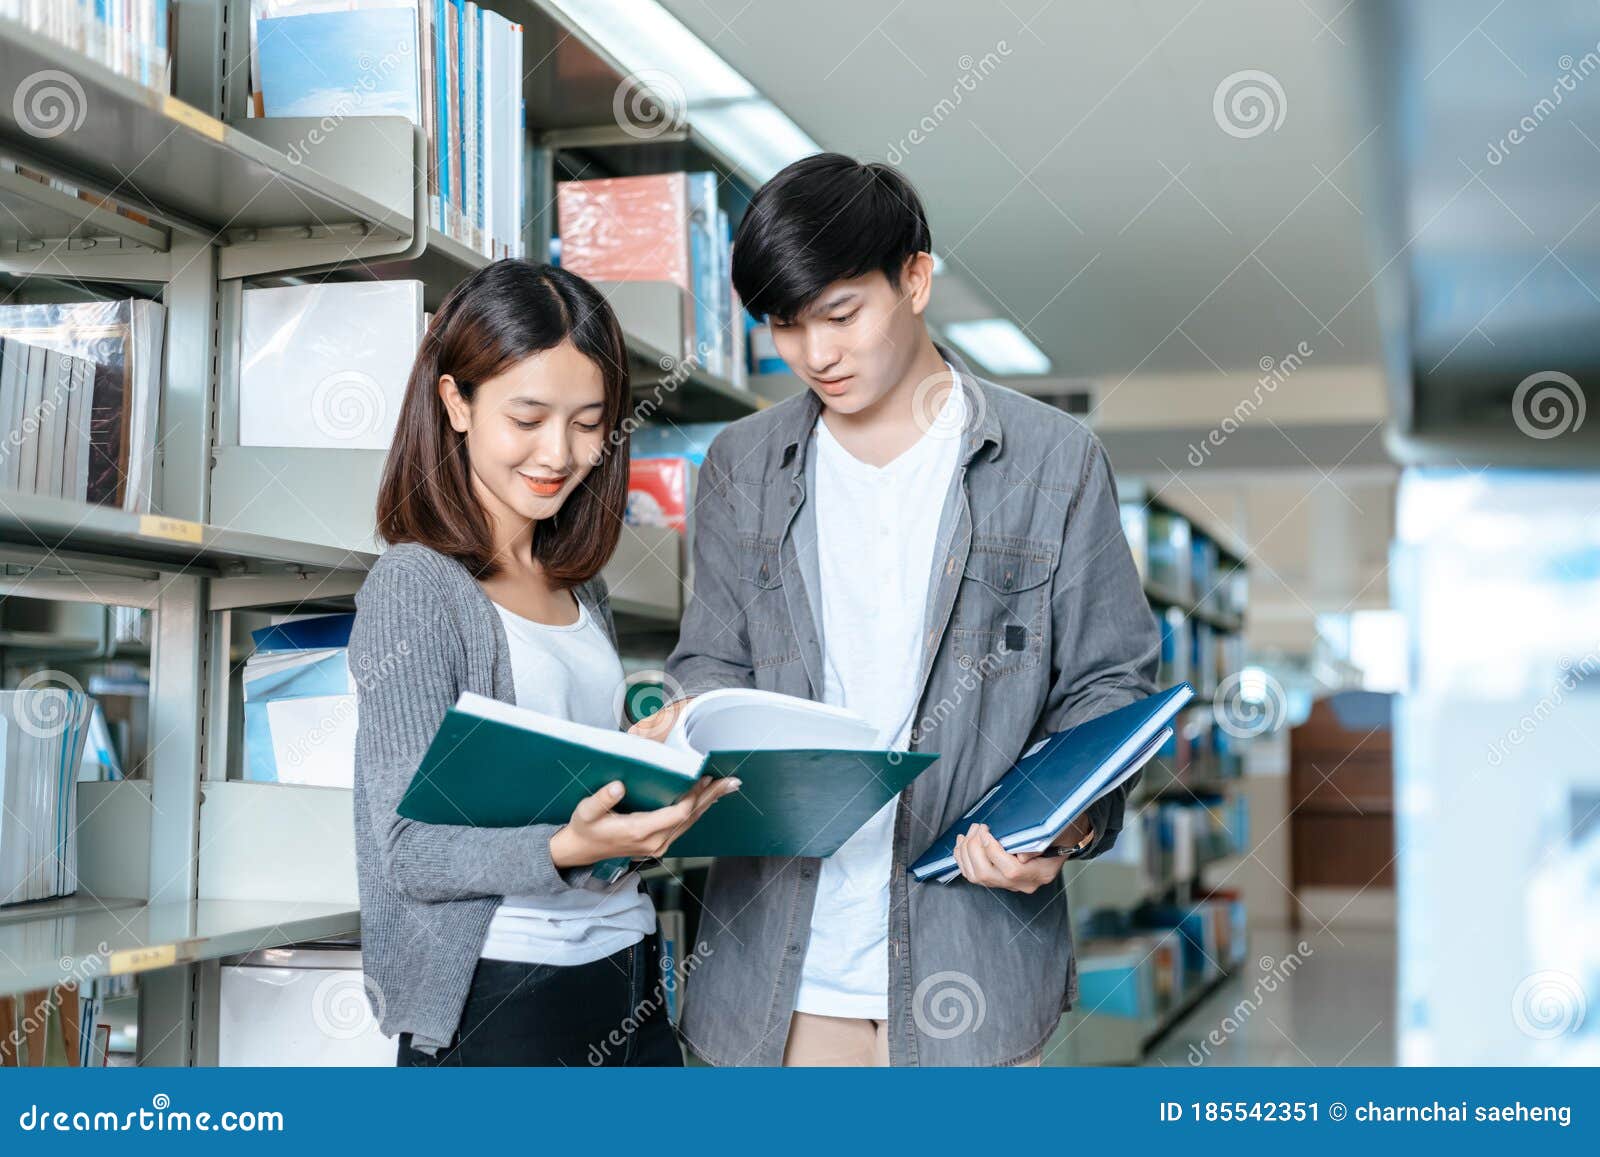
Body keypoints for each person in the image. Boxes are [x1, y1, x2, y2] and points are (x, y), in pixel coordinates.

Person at [632, 154, 1160, 1067]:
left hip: (977, 967)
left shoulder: (1053, 461)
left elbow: (1108, 682)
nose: (815, 355)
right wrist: (687, 719)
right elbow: (710, 659)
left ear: (915, 278)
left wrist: (1068, 826)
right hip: (778, 975)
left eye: (841, 315)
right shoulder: (742, 468)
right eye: (784, 327)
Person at [349, 260, 737, 1067]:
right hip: (501, 996)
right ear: (456, 402)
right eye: (526, 417)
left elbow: (571, 799)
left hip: (627, 968)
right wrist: (569, 842)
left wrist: (651, 780)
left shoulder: (577, 582)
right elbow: (407, 851)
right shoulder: (416, 586)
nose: (558, 453)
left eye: (589, 421)